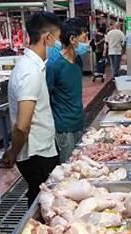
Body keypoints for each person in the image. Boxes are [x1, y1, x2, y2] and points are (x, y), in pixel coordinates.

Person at [1, 12, 61, 207]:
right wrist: (13, 152)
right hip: (37, 154)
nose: (59, 45)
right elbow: (22, 126)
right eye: (58, 39)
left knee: (42, 199)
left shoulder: (33, 67)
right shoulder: (29, 72)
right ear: (48, 38)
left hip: (41, 149)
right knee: (41, 203)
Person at [46, 18, 88, 163]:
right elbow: (46, 97)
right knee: (68, 169)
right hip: (64, 128)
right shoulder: (54, 65)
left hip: (80, 122)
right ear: (72, 39)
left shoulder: (78, 60)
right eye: (84, 37)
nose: (87, 42)